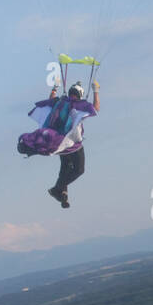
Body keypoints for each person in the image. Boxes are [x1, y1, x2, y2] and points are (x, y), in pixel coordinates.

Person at [46, 79, 100, 208]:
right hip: (74, 144)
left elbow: (50, 100)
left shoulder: (61, 102)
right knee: (79, 170)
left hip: (60, 142)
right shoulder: (79, 104)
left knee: (65, 169)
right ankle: (57, 189)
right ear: (80, 94)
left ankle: (63, 194)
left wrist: (55, 87)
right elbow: (96, 108)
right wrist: (96, 90)